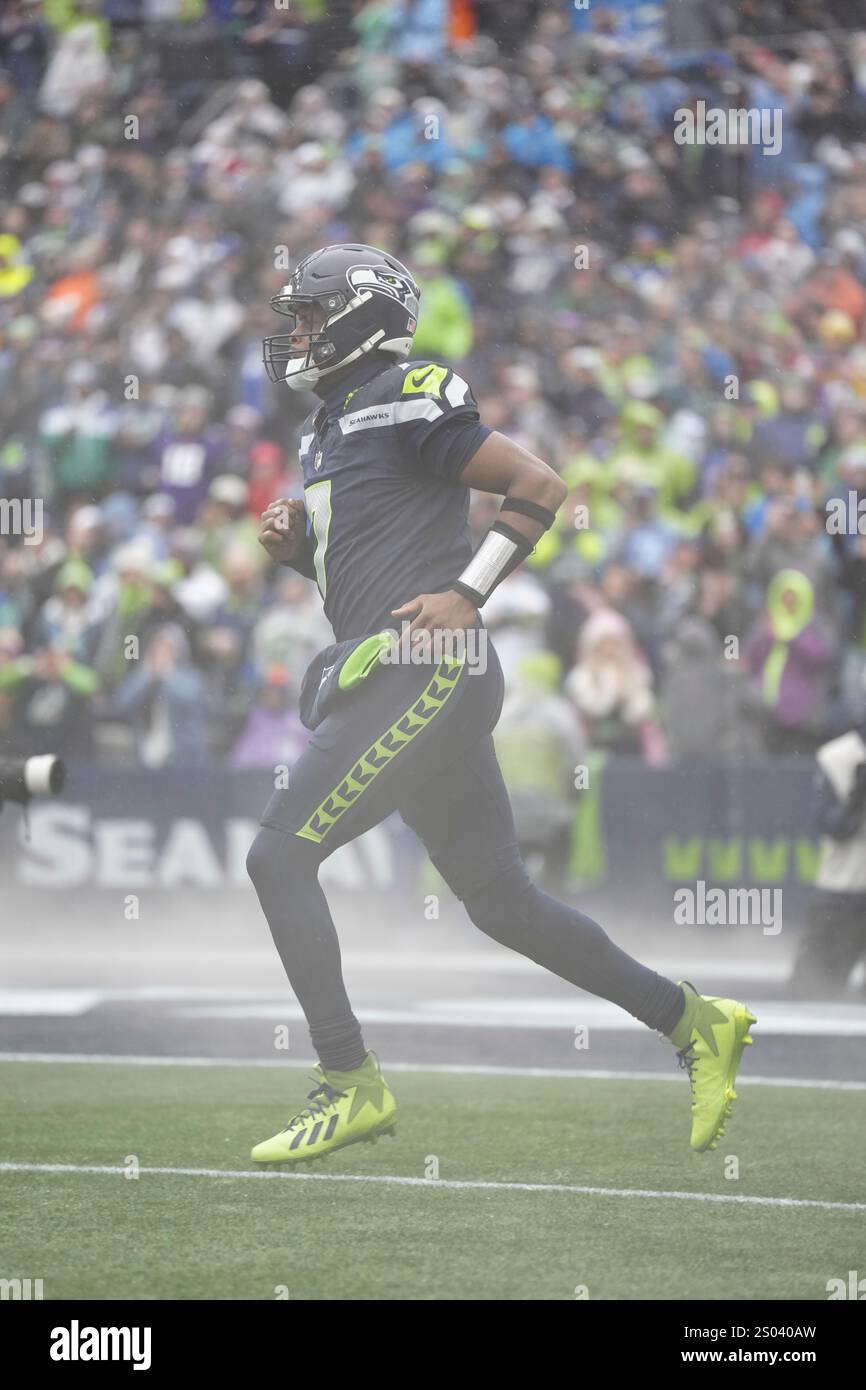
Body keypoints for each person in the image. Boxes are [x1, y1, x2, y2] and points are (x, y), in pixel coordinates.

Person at [246, 244, 756, 1165]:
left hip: (425, 666)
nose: (300, 333)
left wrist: (468, 592)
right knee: (499, 901)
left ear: (362, 316)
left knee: (278, 858)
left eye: (313, 315)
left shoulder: (407, 391)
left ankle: (350, 1082)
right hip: (396, 663)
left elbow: (539, 486)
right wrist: (296, 551)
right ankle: (693, 1021)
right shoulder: (331, 426)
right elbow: (365, 573)